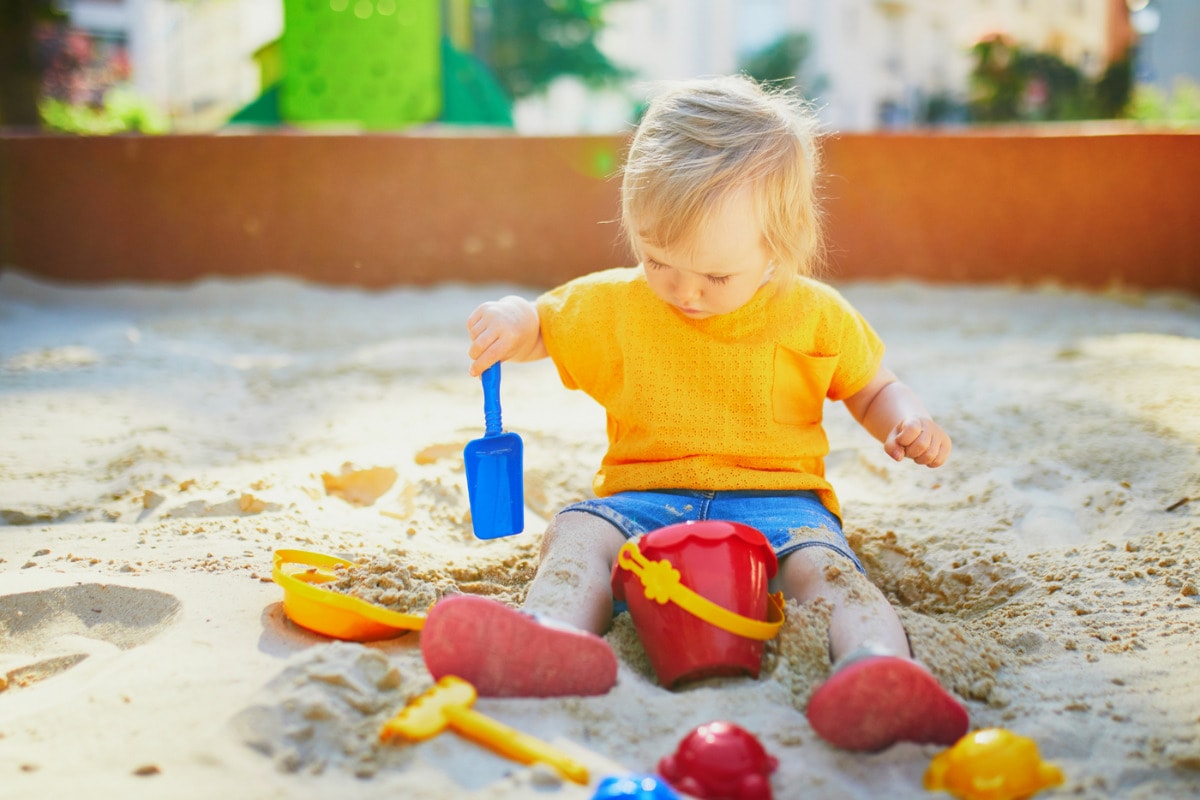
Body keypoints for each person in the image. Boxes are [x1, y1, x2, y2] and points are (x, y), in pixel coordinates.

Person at [421, 74, 968, 752]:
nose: (685, 292)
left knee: (831, 574)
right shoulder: (617, 304)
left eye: (716, 277)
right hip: (643, 500)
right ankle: (551, 634)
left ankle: (877, 667)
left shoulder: (814, 314)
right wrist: (510, 319)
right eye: (659, 261)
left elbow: (872, 387)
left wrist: (907, 422)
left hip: (780, 505)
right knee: (577, 533)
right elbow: (543, 326)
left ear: (778, 247)